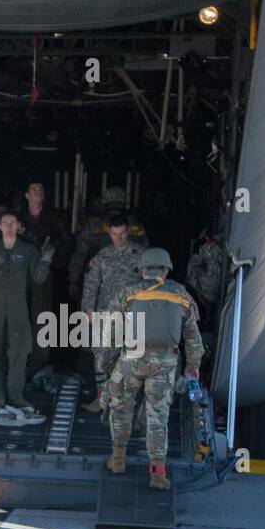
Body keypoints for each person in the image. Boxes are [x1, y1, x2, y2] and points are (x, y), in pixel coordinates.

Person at [106, 248, 203, 490]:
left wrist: (107, 365)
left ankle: (118, 460)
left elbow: (110, 333)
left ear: (142, 268)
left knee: (120, 409)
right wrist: (192, 367)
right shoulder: (181, 295)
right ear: (167, 269)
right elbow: (193, 339)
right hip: (164, 364)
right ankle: (158, 473)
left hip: (131, 359)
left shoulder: (128, 293)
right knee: (157, 417)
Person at [0, 209, 54, 422]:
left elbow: (38, 278)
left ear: (19, 226)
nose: (9, 227)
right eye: (5, 223)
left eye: (13, 223)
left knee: (19, 349)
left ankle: (16, 396)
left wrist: (45, 260)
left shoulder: (28, 250)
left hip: (18, 301)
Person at [80, 215, 145, 413]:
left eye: (123, 233)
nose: (119, 237)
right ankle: (101, 398)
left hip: (132, 313)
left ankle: (125, 402)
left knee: (131, 358)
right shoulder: (102, 256)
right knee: (100, 355)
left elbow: (150, 283)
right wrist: (88, 309)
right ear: (109, 233)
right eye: (115, 234)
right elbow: (91, 284)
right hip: (105, 312)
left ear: (128, 231)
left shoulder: (141, 255)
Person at [17, 181, 71, 375]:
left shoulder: (54, 218)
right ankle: (19, 357)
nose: (38, 192)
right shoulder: (17, 217)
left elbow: (67, 244)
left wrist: (54, 259)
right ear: (26, 195)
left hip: (46, 271)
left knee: (42, 315)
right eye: (34, 189)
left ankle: (40, 359)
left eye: (41, 189)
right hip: (20, 271)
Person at [69, 186, 150, 299]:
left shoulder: (94, 226)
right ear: (124, 203)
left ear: (105, 203)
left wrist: (73, 280)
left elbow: (80, 254)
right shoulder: (137, 226)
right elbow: (147, 256)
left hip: (101, 287)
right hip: (130, 287)